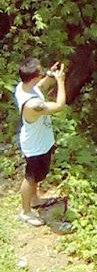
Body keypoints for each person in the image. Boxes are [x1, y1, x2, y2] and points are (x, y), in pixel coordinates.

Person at [15, 58, 71, 229]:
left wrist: (49, 76)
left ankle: (35, 199)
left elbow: (40, 87)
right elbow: (60, 105)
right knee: (30, 177)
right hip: (35, 146)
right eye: (39, 73)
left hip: (41, 141)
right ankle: (25, 211)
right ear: (32, 78)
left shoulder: (23, 87)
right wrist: (61, 81)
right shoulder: (33, 105)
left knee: (37, 175)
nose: (42, 75)